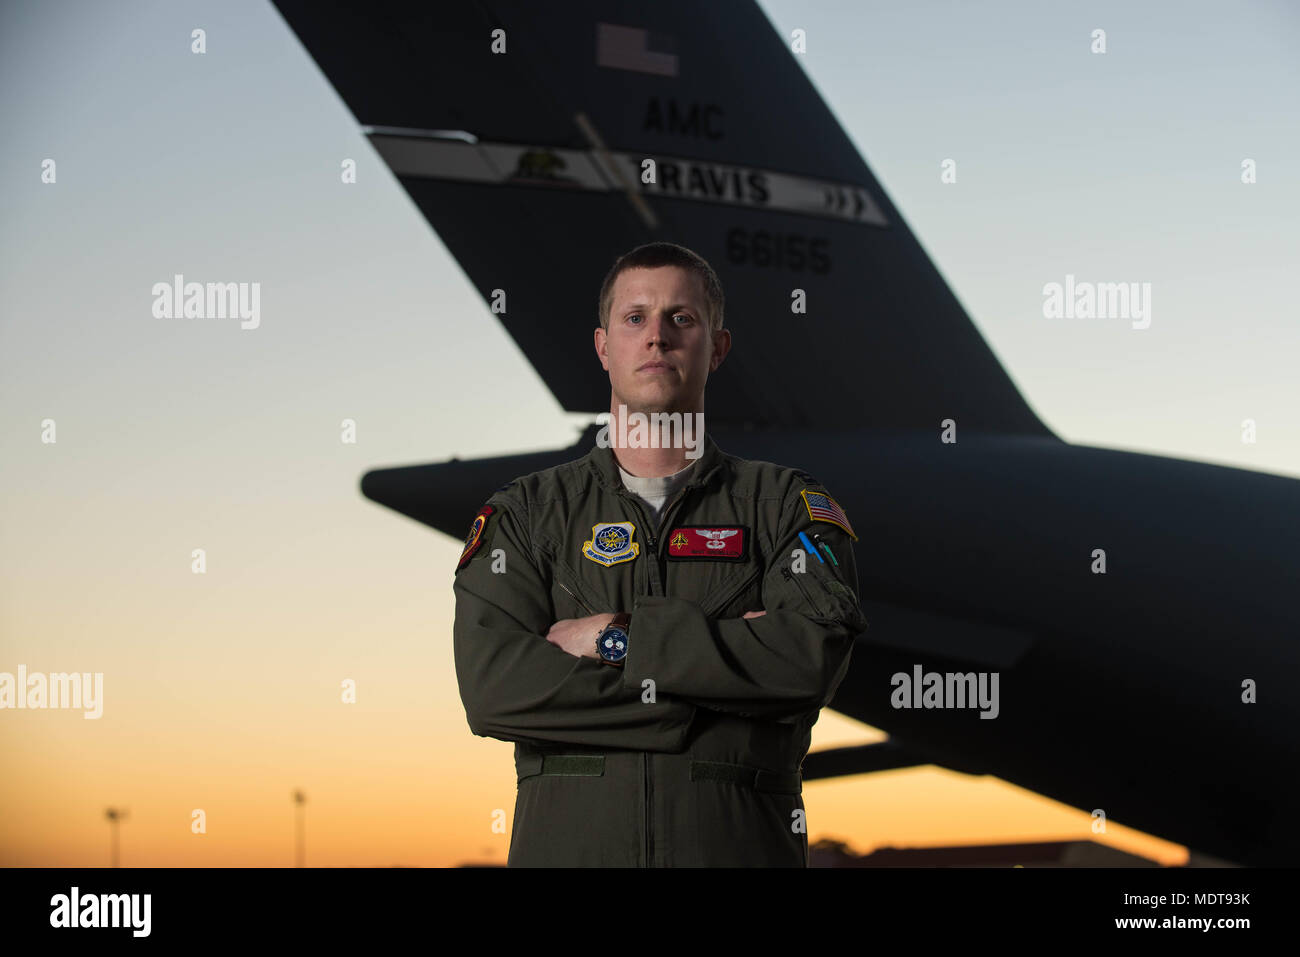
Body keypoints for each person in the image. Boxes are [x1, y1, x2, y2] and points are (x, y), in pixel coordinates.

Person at [452, 241, 868, 866]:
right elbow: (493, 690)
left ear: (716, 348)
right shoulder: (527, 514)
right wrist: (718, 690)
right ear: (603, 347)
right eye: (635, 317)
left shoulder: (785, 505)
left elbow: (808, 662)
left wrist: (612, 639)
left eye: (682, 318)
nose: (657, 338)